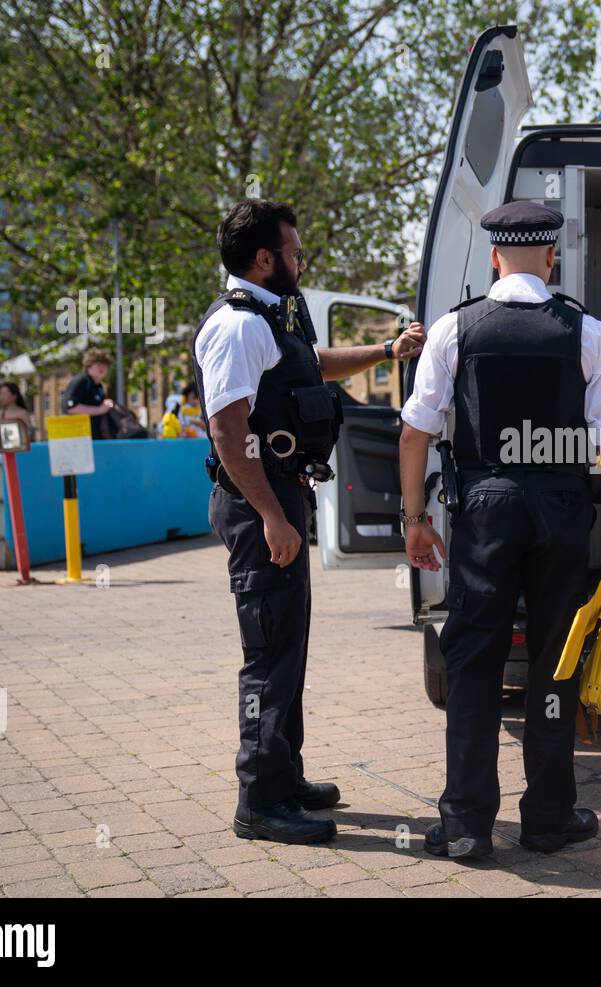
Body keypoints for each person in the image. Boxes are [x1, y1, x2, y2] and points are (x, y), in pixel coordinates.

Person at [399, 201, 601, 860]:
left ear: (495, 258)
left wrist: (414, 519)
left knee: (473, 663)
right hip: (563, 509)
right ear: (553, 258)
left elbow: (416, 431)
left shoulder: (456, 329)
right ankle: (547, 818)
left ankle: (466, 824)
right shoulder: (585, 331)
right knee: (555, 662)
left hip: (485, 508)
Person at [195, 199, 425, 844]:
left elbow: (311, 365)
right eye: (294, 252)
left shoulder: (273, 317)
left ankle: (283, 776)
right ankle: (259, 803)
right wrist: (272, 515)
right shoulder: (238, 326)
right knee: (267, 654)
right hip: (257, 506)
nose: (301, 260)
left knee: (287, 648)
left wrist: (386, 349)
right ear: (264, 259)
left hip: (280, 498)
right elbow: (227, 427)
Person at [61, 348, 114, 439]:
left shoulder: (99, 386)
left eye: (105, 365)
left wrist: (107, 403)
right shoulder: (81, 381)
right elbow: (70, 407)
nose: (102, 368)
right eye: (98, 364)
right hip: (79, 438)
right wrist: (100, 409)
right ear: (89, 365)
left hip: (96, 437)